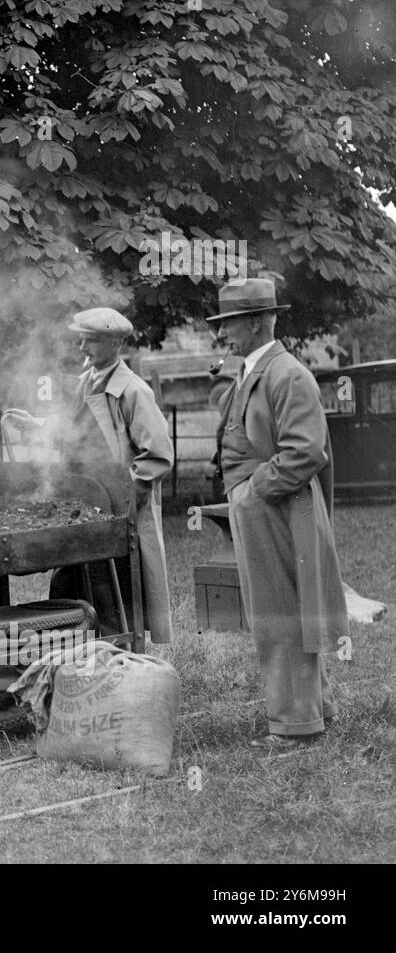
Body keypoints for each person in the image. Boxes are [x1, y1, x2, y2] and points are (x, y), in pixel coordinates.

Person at [209, 278, 348, 749]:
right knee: (280, 609)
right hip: (264, 508)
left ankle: (294, 726)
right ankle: (314, 709)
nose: (223, 332)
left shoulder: (287, 374)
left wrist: (252, 491)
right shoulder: (252, 370)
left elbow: (305, 452)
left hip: (280, 507)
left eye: (229, 322)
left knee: (281, 613)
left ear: (255, 321)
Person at [2, 308, 173, 641]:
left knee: (115, 588)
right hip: (81, 503)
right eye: (80, 340)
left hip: (118, 506)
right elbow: (73, 428)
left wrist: (128, 501)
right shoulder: (85, 382)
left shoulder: (134, 391)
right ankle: (77, 654)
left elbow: (158, 455)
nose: (82, 348)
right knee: (69, 584)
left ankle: (122, 658)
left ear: (115, 343)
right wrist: (35, 425)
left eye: (90, 340)